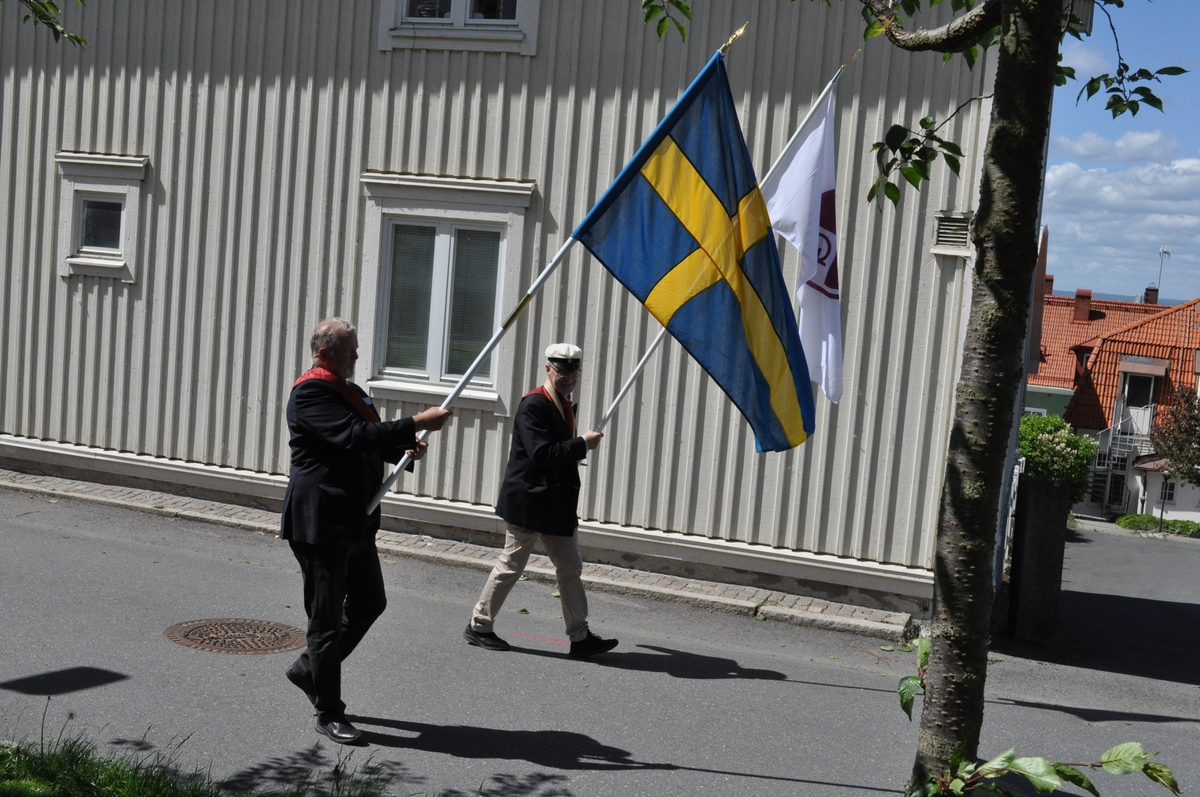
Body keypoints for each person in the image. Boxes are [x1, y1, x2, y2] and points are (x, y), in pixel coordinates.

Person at [282, 317, 451, 744]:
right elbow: (351, 436)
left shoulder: (351, 391)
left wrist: (401, 448)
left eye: (355, 348)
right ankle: (328, 710)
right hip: (321, 524)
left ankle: (309, 671)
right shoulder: (310, 392)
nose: (357, 356)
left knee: (370, 601)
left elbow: (369, 438)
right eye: (350, 349)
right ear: (324, 352)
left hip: (355, 520)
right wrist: (415, 421)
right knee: (323, 620)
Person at [464, 343, 619, 658]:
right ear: (548, 368)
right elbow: (541, 453)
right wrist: (581, 444)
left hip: (554, 505)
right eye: (562, 371)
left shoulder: (561, 402)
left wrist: (577, 444)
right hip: (529, 503)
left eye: (573, 371)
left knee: (570, 567)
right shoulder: (535, 404)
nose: (568, 377)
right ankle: (479, 626)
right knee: (511, 565)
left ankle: (580, 636)